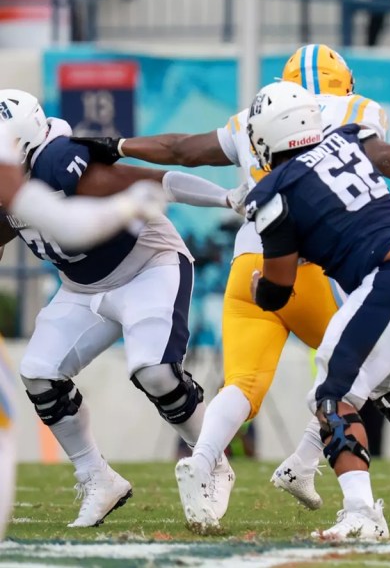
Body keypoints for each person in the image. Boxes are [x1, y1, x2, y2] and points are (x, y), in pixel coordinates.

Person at [74, 44, 390, 528]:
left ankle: (354, 508)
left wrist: (116, 146)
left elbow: (188, 157)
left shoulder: (269, 184)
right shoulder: (350, 129)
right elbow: (385, 156)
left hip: (365, 275)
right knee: (381, 380)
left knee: (326, 393)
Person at [238, 81, 390, 540]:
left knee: (333, 396)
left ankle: (362, 512)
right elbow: (368, 186)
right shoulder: (345, 140)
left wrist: (257, 285)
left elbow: (277, 291)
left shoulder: (273, 194)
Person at [0, 89, 243, 528]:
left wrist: (228, 199)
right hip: (81, 288)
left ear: (23, 146)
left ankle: (211, 462)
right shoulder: (13, 179)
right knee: (38, 372)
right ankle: (97, 478)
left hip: (149, 266)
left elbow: (157, 184)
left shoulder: (58, 164)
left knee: (154, 371)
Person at [0, 121, 166, 540]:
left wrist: (130, 206)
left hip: (130, 269)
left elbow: (64, 222)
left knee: (36, 376)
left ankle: (104, 474)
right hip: (86, 280)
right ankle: (97, 476)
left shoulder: (46, 167)